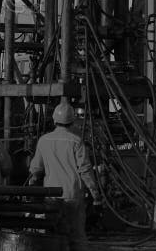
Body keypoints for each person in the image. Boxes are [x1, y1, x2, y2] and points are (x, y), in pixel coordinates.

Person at [28, 102, 101, 251]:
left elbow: (35, 170)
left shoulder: (44, 140)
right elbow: (85, 170)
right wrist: (96, 195)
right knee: (76, 237)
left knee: (52, 235)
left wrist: (32, 186)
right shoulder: (76, 141)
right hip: (72, 195)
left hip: (51, 197)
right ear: (72, 121)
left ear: (54, 120)